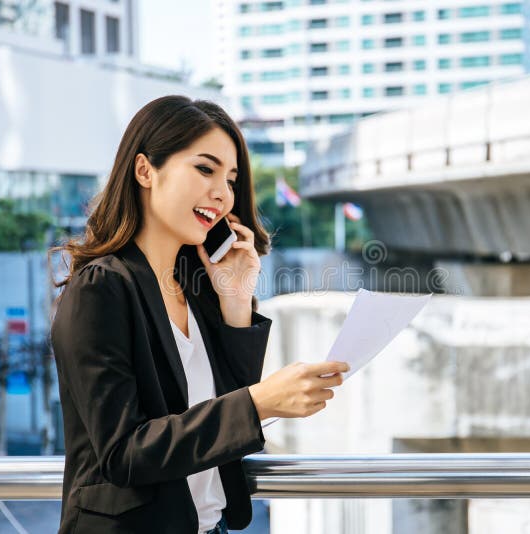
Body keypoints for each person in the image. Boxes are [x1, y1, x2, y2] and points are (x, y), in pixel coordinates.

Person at [49, 95, 349, 534]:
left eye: (230, 179)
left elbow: (222, 421)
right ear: (145, 170)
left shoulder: (197, 289)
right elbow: (124, 452)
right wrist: (261, 401)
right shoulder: (102, 289)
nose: (223, 194)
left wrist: (234, 300)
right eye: (205, 169)